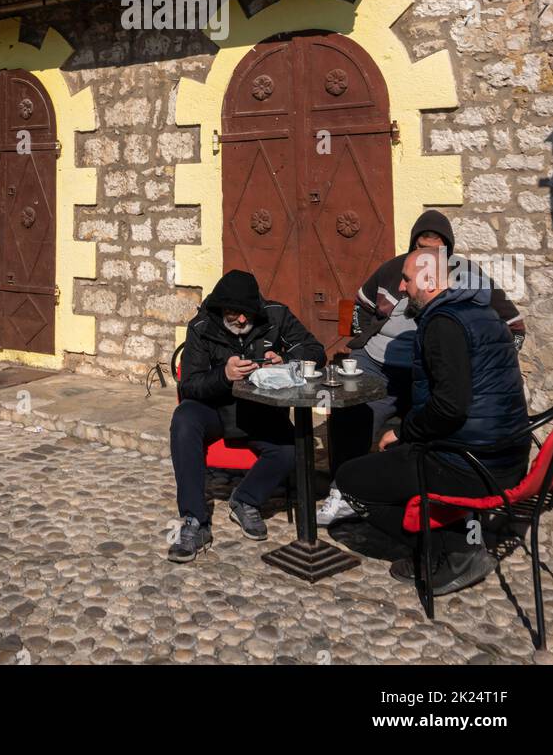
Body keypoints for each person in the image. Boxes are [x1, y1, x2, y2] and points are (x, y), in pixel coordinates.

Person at [334, 246, 530, 596]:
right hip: (505, 455)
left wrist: (402, 431)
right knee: (395, 460)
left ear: (427, 279)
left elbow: (450, 408)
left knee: (351, 479)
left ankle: (448, 549)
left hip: (471, 464)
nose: (404, 288)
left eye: (407, 280)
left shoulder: (443, 324)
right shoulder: (481, 312)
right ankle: (457, 539)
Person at [317, 210, 526, 526]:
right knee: (351, 410)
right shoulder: (396, 269)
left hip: (431, 371)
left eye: (436, 247)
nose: (427, 252)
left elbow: (512, 325)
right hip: (379, 364)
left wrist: (481, 361)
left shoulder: (465, 283)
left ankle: (414, 512)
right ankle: (340, 492)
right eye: (421, 245)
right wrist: (363, 337)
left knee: (427, 425)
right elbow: (359, 305)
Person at [168, 269, 325, 563]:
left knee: (293, 449)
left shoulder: (275, 316)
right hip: (214, 408)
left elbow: (316, 350)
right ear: (220, 308)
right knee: (184, 420)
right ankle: (193, 520)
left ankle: (246, 499)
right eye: (234, 313)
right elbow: (189, 385)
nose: (241, 319)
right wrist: (223, 375)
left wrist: (288, 361)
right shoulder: (201, 326)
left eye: (247, 313)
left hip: (260, 409)